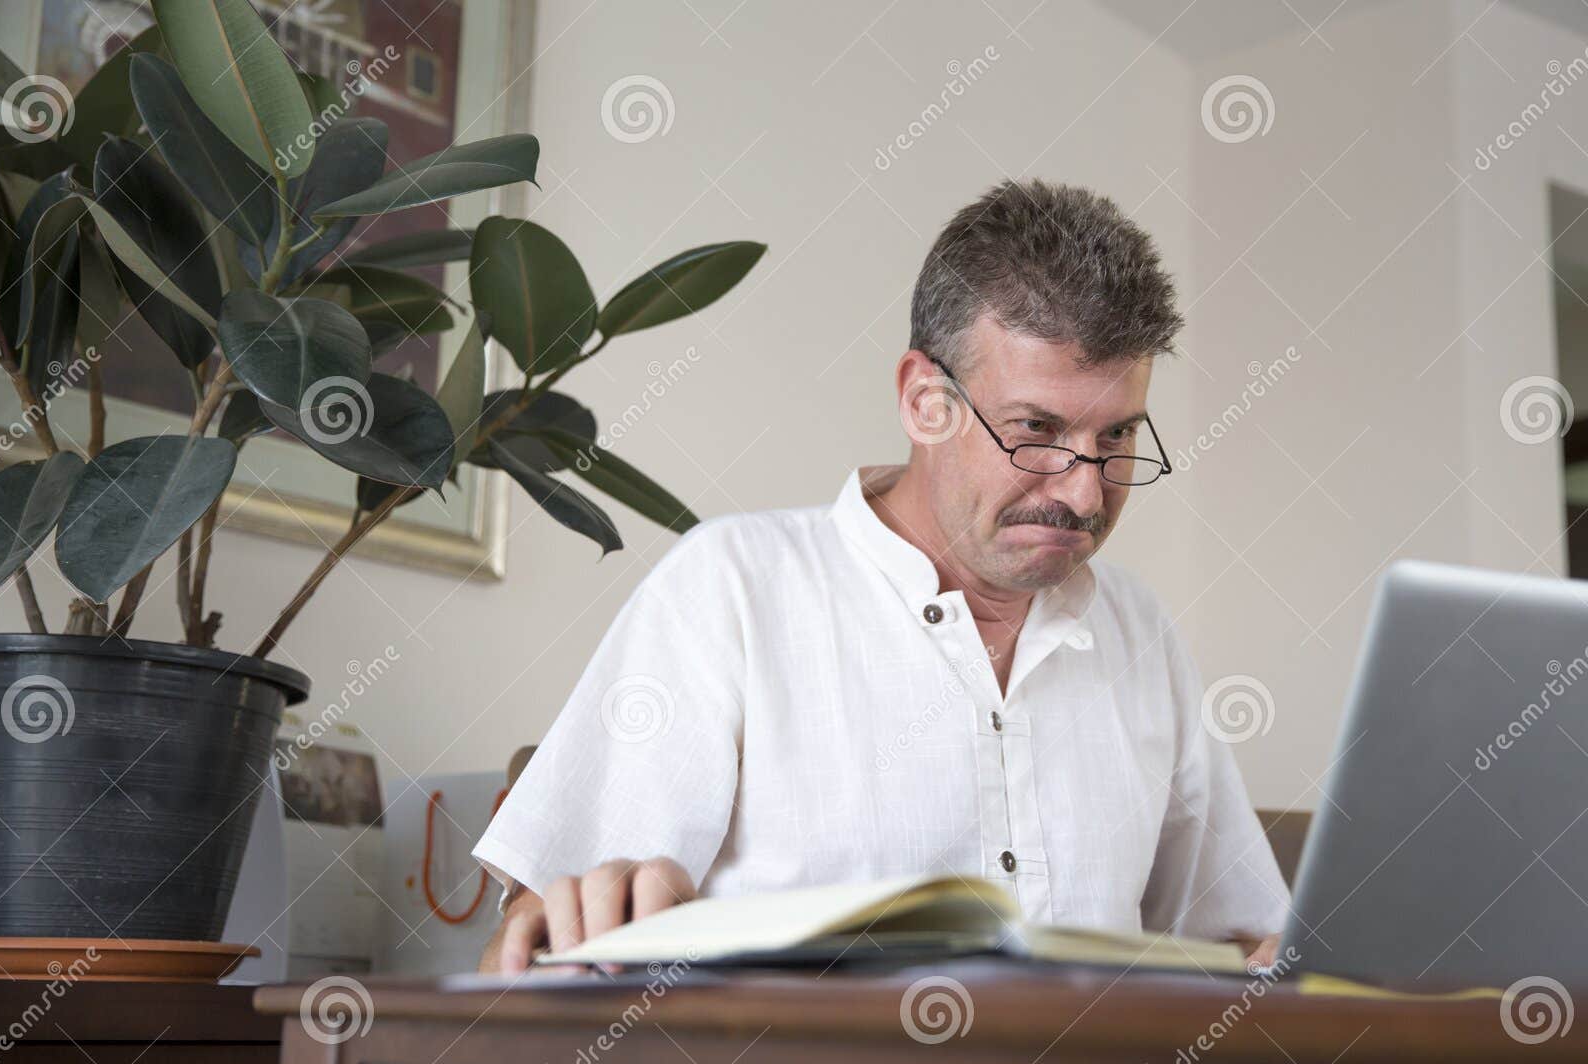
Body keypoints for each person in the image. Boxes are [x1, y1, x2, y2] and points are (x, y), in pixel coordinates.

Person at [474, 178, 1289, 974]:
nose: (1083, 490)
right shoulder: (731, 590)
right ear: (924, 400)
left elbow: (1236, 945)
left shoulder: (1138, 630)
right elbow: (541, 944)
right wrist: (560, 925)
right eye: (1036, 429)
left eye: (1115, 438)